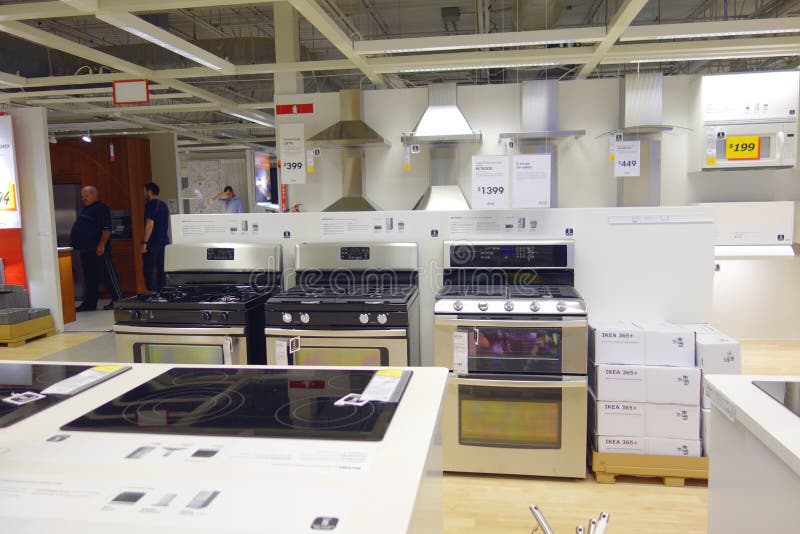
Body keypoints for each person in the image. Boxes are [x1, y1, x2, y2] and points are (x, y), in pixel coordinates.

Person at [70, 186, 123, 311]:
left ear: (94, 195)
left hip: (98, 249)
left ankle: (118, 299)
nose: (84, 199)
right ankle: (90, 303)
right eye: (82, 196)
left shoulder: (101, 208)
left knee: (107, 275)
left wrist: (101, 245)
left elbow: (107, 229)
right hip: (86, 250)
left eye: (86, 196)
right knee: (90, 277)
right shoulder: (86, 210)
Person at [141, 182, 170, 292]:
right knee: (161, 270)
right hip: (164, 242)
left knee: (148, 270)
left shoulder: (151, 204)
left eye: (144, 192)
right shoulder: (163, 205)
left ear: (149, 192)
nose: (144, 194)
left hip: (153, 243)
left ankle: (152, 295)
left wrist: (144, 242)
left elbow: (149, 224)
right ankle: (162, 294)